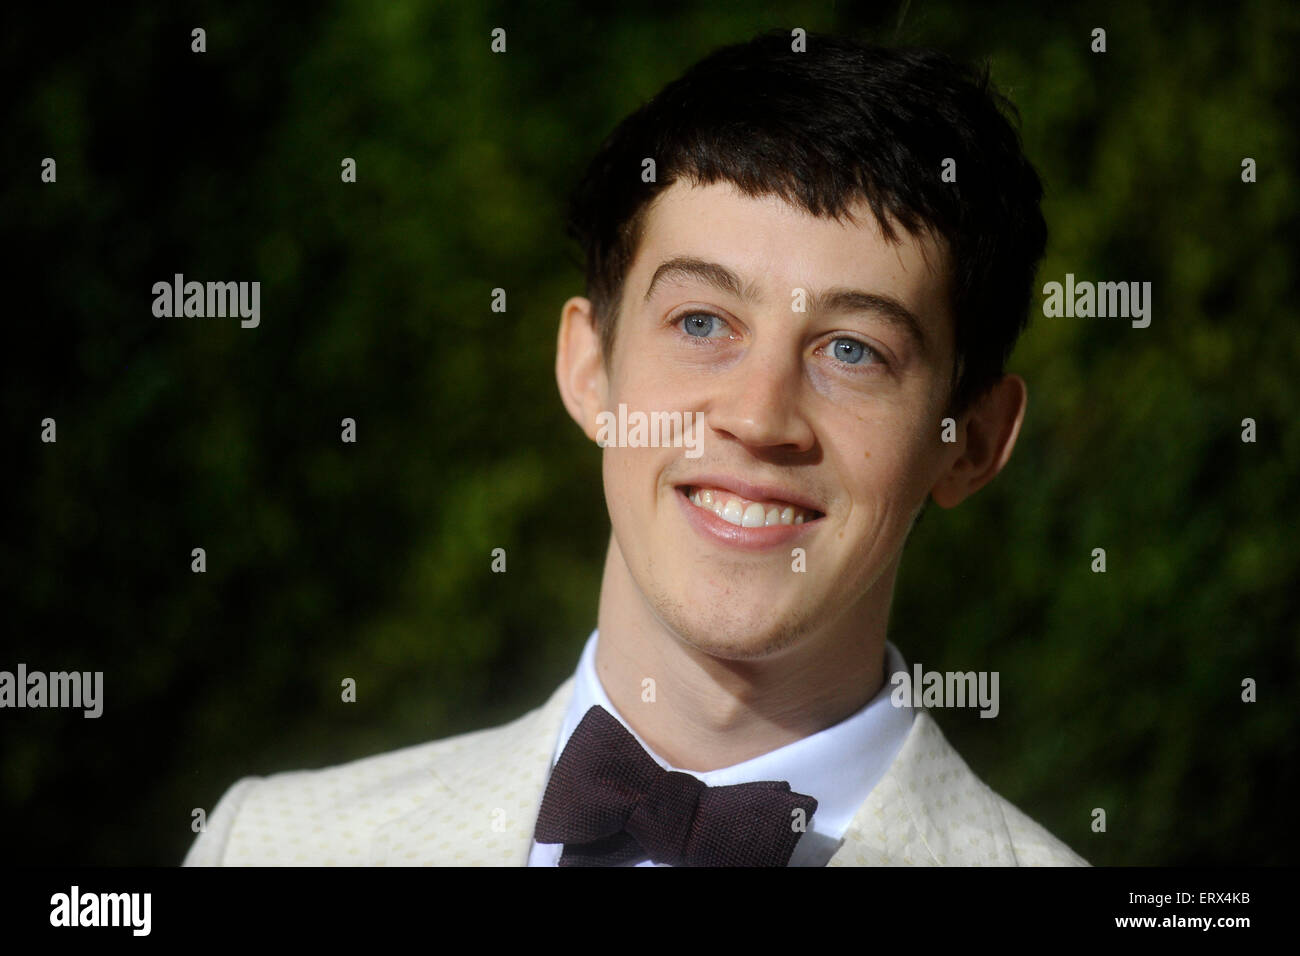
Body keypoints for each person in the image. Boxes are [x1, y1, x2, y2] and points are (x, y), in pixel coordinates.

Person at [184, 29, 1087, 867]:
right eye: (702, 321)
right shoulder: (266, 847)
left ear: (970, 442)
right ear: (588, 368)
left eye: (853, 350)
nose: (758, 415)